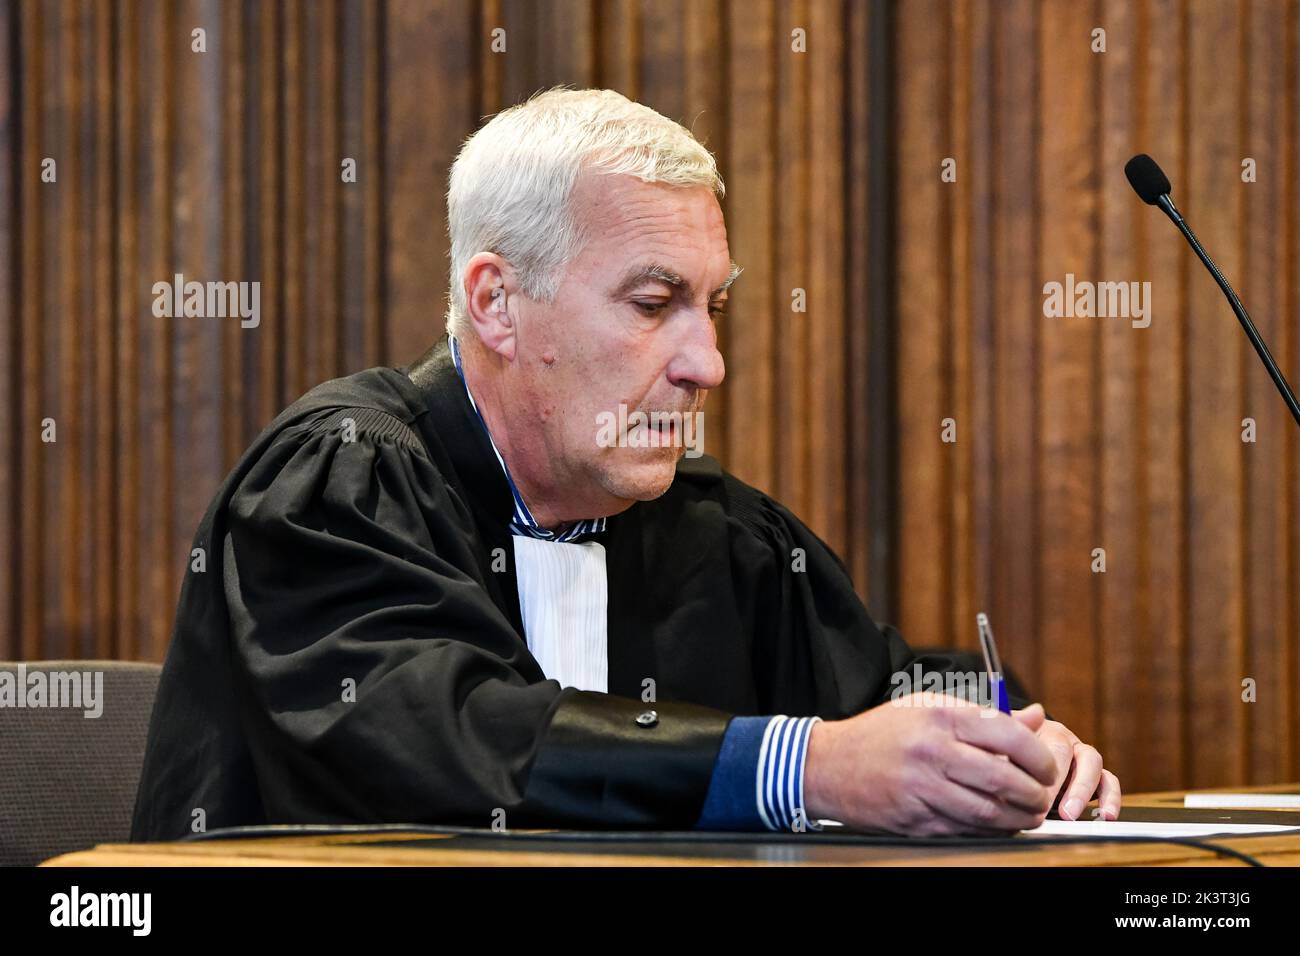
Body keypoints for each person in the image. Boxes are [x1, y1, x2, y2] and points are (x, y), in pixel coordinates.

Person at [131, 87, 1120, 841]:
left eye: (713, 308)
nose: (707, 364)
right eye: (654, 305)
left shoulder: (712, 529)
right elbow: (450, 745)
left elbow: (876, 686)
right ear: (495, 303)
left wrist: (1006, 745)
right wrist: (804, 768)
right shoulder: (338, 484)